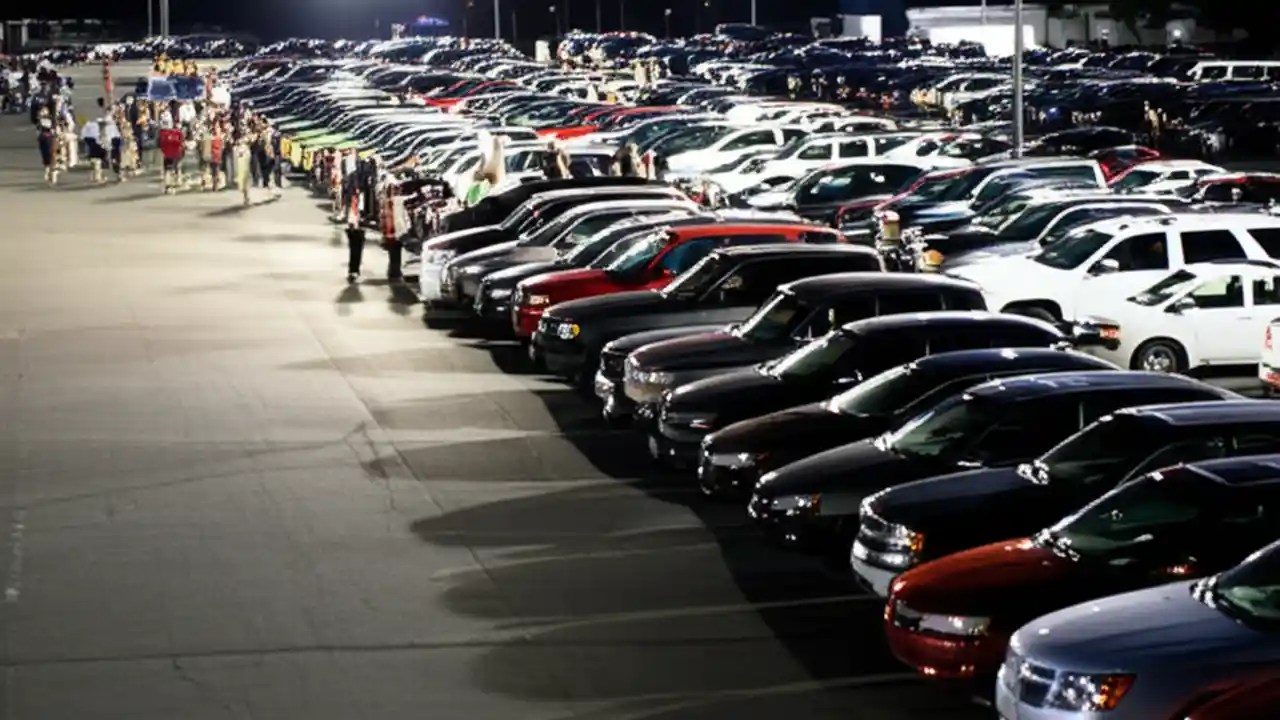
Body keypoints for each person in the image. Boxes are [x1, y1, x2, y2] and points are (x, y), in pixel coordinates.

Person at [81, 113, 105, 184]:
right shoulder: (96, 127)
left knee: (93, 161)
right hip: (93, 143)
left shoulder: (90, 125)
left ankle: (93, 177)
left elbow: (83, 135)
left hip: (89, 142)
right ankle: (97, 178)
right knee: (97, 161)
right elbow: (97, 139)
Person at [37, 108, 58, 185]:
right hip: (43, 139)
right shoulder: (40, 121)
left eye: (44, 111)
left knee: (52, 156)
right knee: (45, 155)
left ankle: (52, 175)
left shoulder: (50, 119)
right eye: (41, 111)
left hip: (50, 139)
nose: (42, 113)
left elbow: (52, 129)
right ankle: (48, 171)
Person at [233, 132, 252, 205]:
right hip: (241, 168)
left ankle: (246, 198)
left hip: (243, 168)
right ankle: (246, 198)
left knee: (244, 183)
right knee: (243, 183)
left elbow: (247, 157)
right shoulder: (238, 148)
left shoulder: (243, 148)